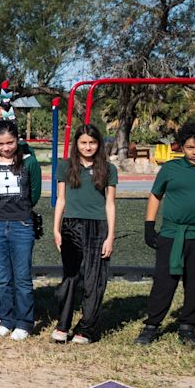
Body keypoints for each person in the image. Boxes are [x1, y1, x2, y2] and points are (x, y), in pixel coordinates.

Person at [136, 121, 195, 350]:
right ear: (182, 147)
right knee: (164, 283)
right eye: (189, 147)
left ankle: (188, 327)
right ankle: (151, 326)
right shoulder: (171, 169)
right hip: (172, 235)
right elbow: (156, 195)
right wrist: (149, 226)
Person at [52, 124, 117, 344]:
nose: (88, 147)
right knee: (70, 277)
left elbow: (110, 203)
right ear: (76, 144)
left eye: (92, 142)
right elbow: (60, 200)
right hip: (71, 226)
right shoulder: (64, 166)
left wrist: (110, 236)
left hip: (98, 227)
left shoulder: (108, 169)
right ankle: (62, 325)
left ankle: (86, 328)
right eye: (83, 142)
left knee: (94, 279)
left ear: (98, 144)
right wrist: (56, 229)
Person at [0, 119, 42, 341]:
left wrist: (20, 212)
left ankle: (25, 322)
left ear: (18, 140)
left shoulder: (29, 162)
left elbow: (34, 193)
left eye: (10, 142)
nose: (6, 148)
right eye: (0, 144)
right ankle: (6, 319)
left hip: (22, 225)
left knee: (22, 277)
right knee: (2, 277)